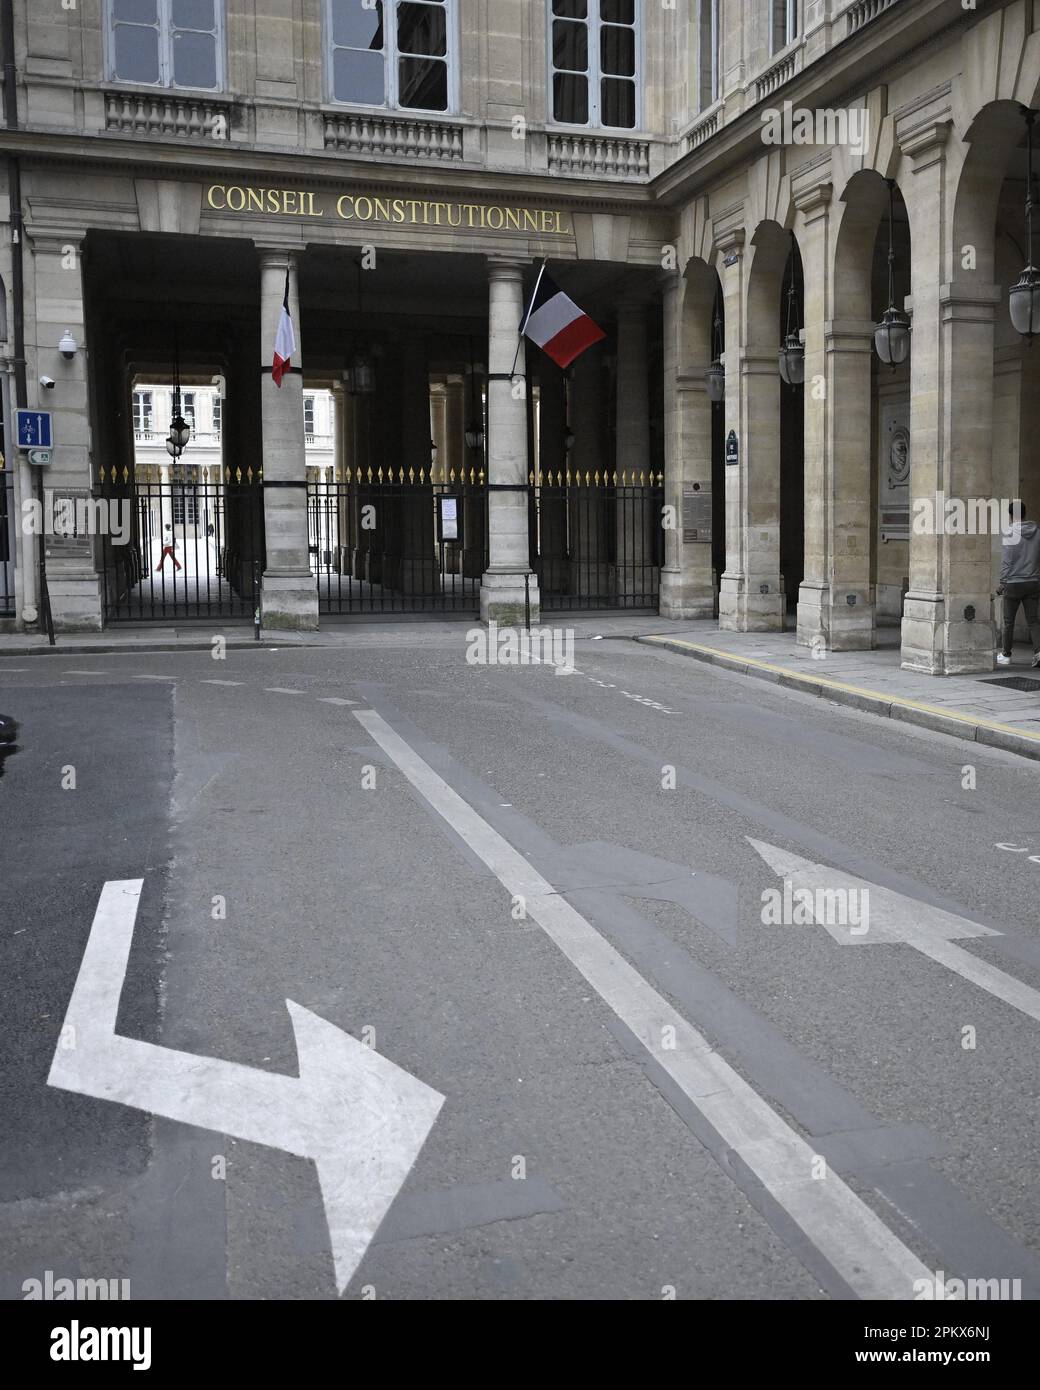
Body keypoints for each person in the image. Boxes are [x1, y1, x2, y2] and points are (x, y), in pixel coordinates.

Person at [996, 503, 1040, 667]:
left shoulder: (1009, 533)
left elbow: (1007, 561)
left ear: (1010, 515)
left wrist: (1002, 582)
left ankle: (1006, 654)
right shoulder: (1037, 533)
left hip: (1013, 583)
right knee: (1034, 621)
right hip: (1033, 581)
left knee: (1009, 621)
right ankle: (1039, 653)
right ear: (1024, 513)